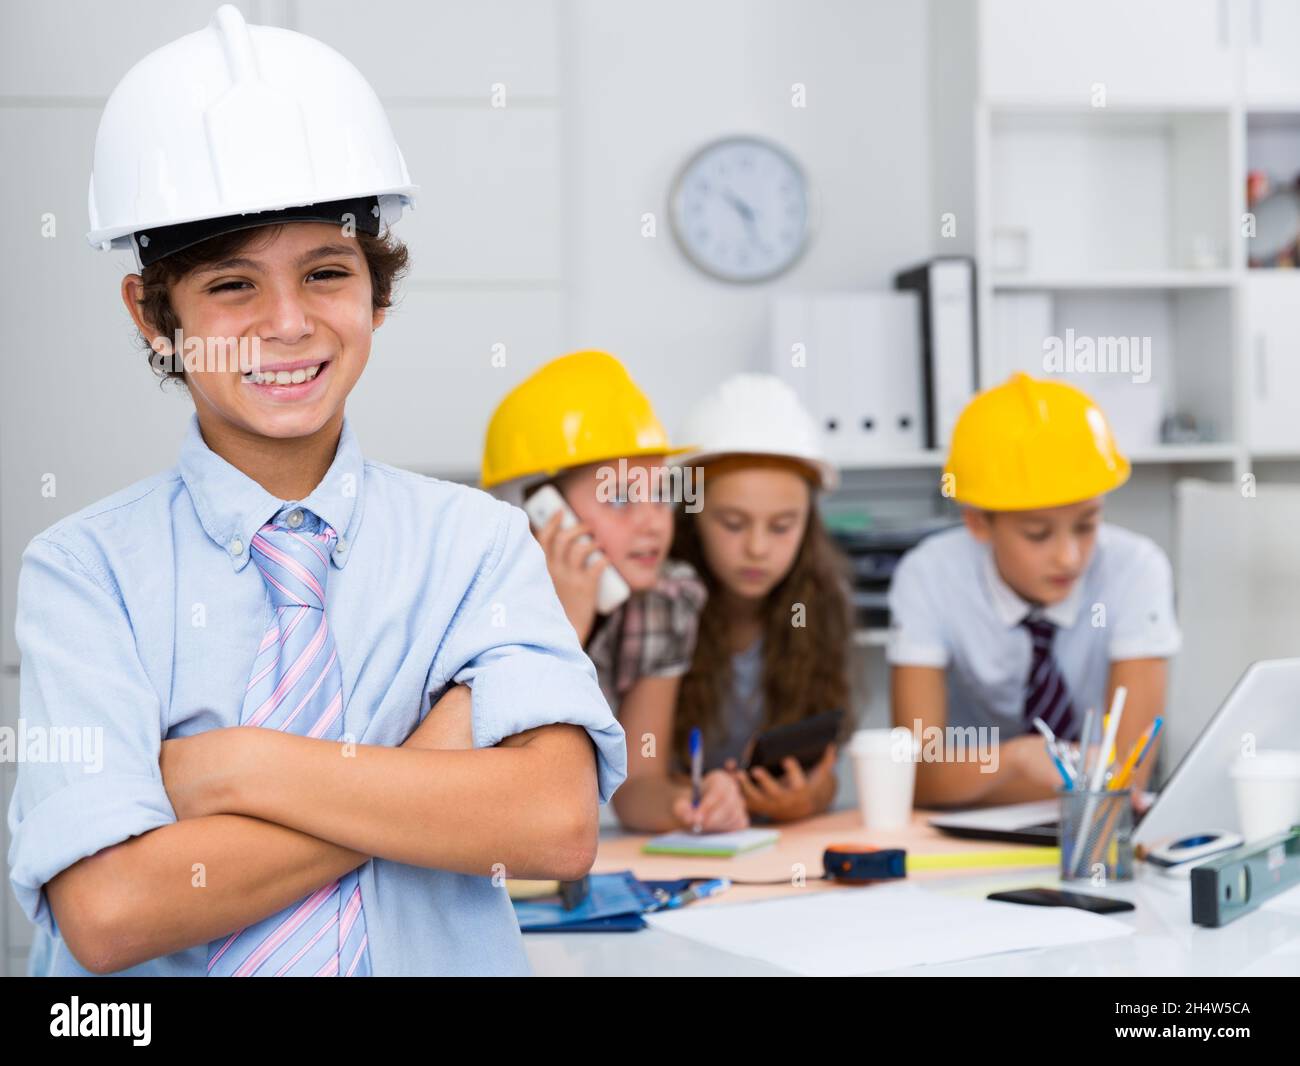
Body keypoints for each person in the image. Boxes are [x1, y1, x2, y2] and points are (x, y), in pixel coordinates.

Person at [6, 5, 624, 977]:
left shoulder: (475, 544)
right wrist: (429, 775)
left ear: (377, 292)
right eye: (231, 285)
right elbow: (112, 910)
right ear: (151, 312)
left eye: (326, 271)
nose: (287, 324)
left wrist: (235, 769)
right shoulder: (85, 572)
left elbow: (553, 823)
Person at [482, 350, 748, 833]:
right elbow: (488, 789)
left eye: (661, 494)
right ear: (542, 512)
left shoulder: (666, 602)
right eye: (621, 498)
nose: (652, 523)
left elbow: (637, 783)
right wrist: (564, 630)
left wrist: (687, 806)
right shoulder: (481, 607)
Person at [887, 372, 1181, 806]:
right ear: (977, 522)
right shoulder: (928, 575)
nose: (1069, 557)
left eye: (1087, 525)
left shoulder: (1137, 568)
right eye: (1038, 534)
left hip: (1093, 833)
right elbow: (914, 776)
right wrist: (1017, 760)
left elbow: (1126, 777)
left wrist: (972, 779)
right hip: (968, 841)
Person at [672, 374, 854, 823]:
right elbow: (639, 782)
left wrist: (808, 797)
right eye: (733, 524)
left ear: (807, 524)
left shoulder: (822, 603)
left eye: (781, 526)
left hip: (774, 840)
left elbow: (825, 770)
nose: (757, 548)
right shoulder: (663, 606)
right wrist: (704, 802)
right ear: (693, 518)